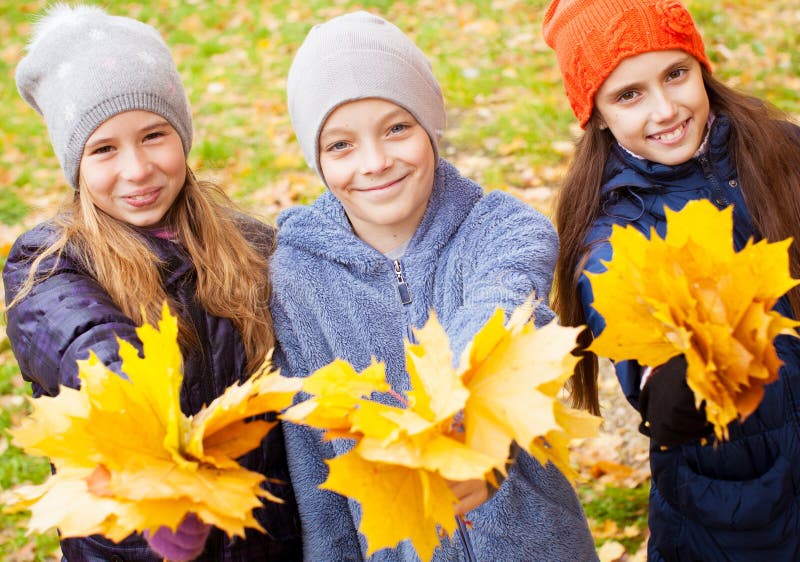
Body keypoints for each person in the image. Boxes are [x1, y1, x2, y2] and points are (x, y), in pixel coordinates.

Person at [271, 10, 598, 561]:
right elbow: (315, 465)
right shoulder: (295, 278)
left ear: (431, 127)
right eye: (341, 145)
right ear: (317, 158)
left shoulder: (504, 228)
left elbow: (505, 309)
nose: (375, 162)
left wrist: (470, 426)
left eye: (397, 128)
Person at [4, 5, 301, 561]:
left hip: (263, 541)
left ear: (182, 136)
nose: (137, 169)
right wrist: (160, 488)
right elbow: (99, 360)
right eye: (104, 149)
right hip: (135, 542)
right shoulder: (48, 265)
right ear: (75, 163)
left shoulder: (248, 245)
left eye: (153, 135)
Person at [543, 0, 800, 560]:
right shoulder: (613, 241)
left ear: (701, 67)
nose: (664, 109)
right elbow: (646, 368)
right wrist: (674, 379)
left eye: (675, 74)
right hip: (734, 511)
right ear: (596, 114)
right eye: (628, 94)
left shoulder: (782, 154)